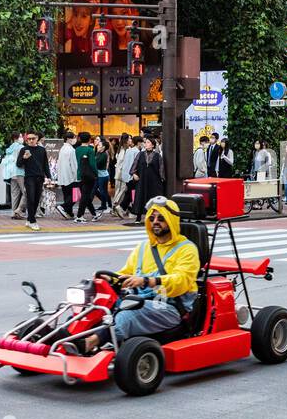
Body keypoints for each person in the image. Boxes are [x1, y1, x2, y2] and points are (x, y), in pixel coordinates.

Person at [90, 196, 201, 348]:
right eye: (152, 218)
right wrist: (110, 279)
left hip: (167, 305)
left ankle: (89, 343)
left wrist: (147, 281)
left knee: (126, 314)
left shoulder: (187, 249)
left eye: (161, 218)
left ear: (171, 221)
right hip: (138, 299)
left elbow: (181, 281)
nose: (155, 221)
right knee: (93, 307)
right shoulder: (143, 247)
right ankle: (60, 337)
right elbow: (125, 273)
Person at [18, 131, 48, 231]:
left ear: (37, 139)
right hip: (29, 177)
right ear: (26, 140)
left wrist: (49, 177)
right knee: (30, 198)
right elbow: (18, 164)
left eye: (33, 138)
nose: (31, 140)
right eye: (29, 139)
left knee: (36, 199)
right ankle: (33, 221)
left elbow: (45, 164)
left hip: (40, 177)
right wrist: (24, 158)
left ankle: (29, 219)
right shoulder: (24, 149)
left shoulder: (42, 150)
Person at [132, 136, 166, 222]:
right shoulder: (140, 154)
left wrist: (162, 178)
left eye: (147, 142)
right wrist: (134, 174)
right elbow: (134, 166)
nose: (145, 144)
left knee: (153, 198)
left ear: (153, 145)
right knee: (140, 197)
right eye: (145, 142)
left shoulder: (158, 156)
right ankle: (138, 217)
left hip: (154, 181)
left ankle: (152, 217)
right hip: (142, 180)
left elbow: (161, 169)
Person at [56, 130, 79, 219]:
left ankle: (69, 213)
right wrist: (77, 175)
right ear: (69, 139)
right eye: (74, 137)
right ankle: (63, 206)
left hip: (63, 177)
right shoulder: (71, 150)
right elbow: (74, 165)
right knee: (76, 195)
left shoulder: (62, 148)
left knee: (67, 195)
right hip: (71, 177)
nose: (75, 139)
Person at [1, 133, 25, 219]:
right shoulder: (21, 147)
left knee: (14, 193)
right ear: (16, 138)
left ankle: (13, 212)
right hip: (20, 172)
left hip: (11, 173)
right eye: (21, 136)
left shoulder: (10, 148)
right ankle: (18, 211)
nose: (22, 138)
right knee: (25, 192)